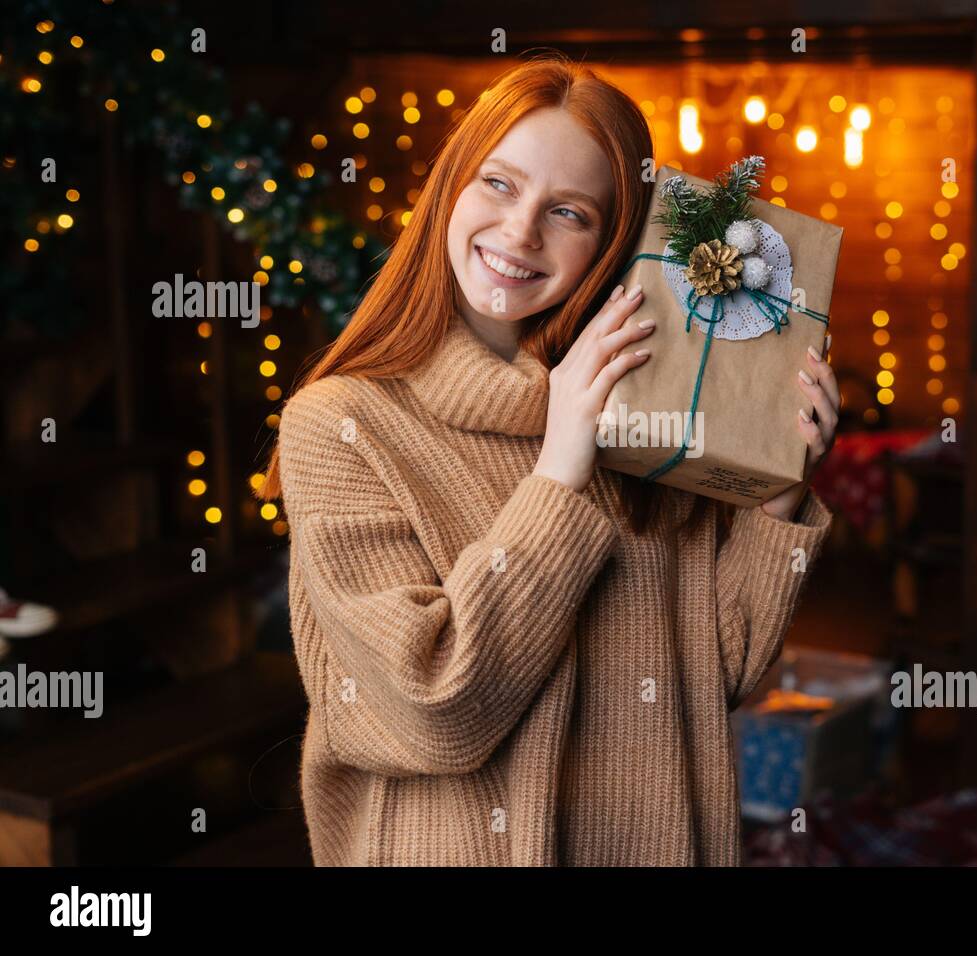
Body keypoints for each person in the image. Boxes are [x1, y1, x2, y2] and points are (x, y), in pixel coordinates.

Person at [257, 52, 840, 866]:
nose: (520, 231)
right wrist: (560, 470)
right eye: (498, 184)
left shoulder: (645, 408)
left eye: (569, 212)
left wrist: (777, 491)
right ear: (451, 188)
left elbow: (716, 676)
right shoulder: (341, 425)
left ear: (613, 244)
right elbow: (432, 710)